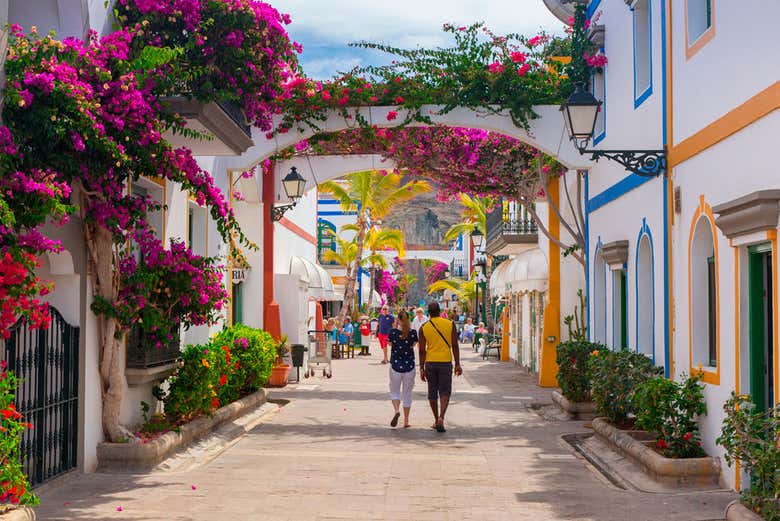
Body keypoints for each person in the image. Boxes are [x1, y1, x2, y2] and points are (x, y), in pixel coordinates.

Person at [418, 301, 461, 433]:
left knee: (432, 392)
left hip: (430, 362)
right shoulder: (449, 324)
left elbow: (421, 350)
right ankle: (442, 417)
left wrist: (421, 368)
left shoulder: (424, 327)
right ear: (439, 311)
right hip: (445, 362)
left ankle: (436, 419)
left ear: (428, 313)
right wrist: (458, 363)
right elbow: (454, 345)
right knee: (445, 391)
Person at [387, 310, 417, 428]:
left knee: (394, 391)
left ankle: (396, 411)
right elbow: (413, 345)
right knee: (407, 394)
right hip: (409, 366)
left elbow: (389, 344)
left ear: (398, 319)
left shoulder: (392, 332)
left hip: (395, 366)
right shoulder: (413, 333)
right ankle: (406, 420)